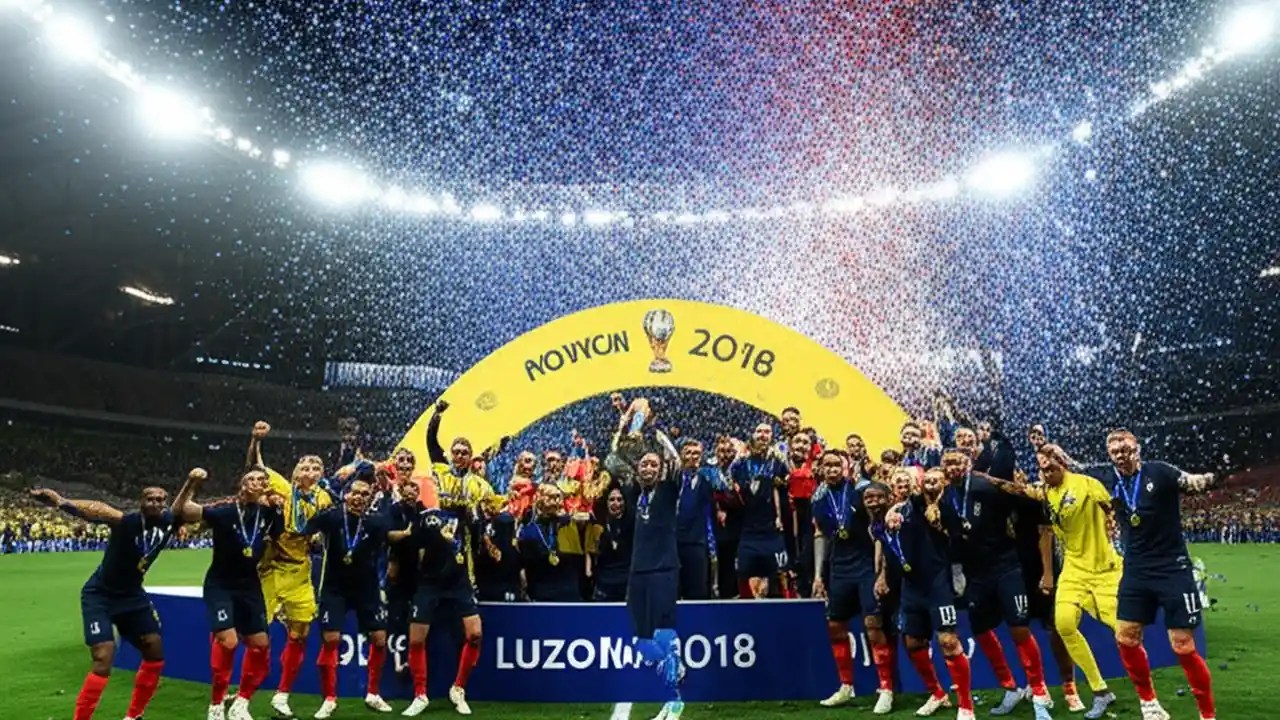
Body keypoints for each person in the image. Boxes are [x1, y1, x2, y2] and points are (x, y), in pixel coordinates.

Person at [31, 470, 200, 720]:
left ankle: (134, 716)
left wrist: (191, 482)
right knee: (103, 657)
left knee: (154, 651)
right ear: (141, 502)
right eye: (150, 499)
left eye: (159, 499)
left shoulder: (169, 521)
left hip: (132, 595)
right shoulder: (127, 521)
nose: (155, 503)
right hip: (100, 595)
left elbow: (180, 508)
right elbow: (98, 509)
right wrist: (60, 502)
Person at [1094, 429, 1217, 720]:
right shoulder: (1106, 478)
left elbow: (1187, 480)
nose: (1121, 455)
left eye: (1126, 449)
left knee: (1183, 645)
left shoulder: (1159, 472)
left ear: (1137, 448)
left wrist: (1202, 479)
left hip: (1172, 567)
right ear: (1109, 455)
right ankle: (1149, 704)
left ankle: (1207, 714)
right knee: (1125, 637)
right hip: (1136, 569)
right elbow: (1072, 470)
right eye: (1115, 451)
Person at [1004, 444, 1119, 720]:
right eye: (1042, 468)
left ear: (1063, 463)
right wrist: (985, 479)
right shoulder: (1046, 493)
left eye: (1051, 466)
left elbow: (1112, 508)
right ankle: (1100, 691)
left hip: (1104, 568)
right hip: (1073, 569)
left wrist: (1112, 525)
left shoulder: (1087, 484)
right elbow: (1019, 491)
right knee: (1064, 624)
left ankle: (1147, 698)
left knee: (1123, 632)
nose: (1046, 472)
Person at [938, 449, 1053, 719]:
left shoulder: (984, 486)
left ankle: (1038, 689)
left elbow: (1023, 503)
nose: (952, 467)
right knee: (979, 628)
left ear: (967, 464)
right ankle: (1010, 687)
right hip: (975, 574)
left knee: (1019, 629)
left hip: (1006, 566)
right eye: (947, 463)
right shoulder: (944, 498)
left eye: (957, 462)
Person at [173, 468, 284, 720]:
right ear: (241, 485)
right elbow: (182, 510)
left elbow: (277, 535)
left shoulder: (268, 513)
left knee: (260, 645)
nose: (258, 483)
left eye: (262, 480)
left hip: (249, 586)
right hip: (220, 585)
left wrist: (277, 504)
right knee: (229, 642)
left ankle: (241, 703)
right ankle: (215, 704)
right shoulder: (224, 511)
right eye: (252, 479)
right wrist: (191, 482)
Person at [298, 479, 409, 719]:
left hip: (366, 589)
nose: (359, 497)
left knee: (379, 640)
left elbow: (391, 537)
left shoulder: (375, 521)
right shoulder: (331, 517)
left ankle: (372, 693)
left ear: (370, 497)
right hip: (334, 588)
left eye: (365, 494)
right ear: (346, 495)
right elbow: (304, 529)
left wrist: (408, 532)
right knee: (331, 640)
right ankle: (329, 698)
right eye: (355, 493)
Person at [249, 421, 333, 719]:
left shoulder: (324, 498)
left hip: (299, 571)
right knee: (257, 632)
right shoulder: (281, 486)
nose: (310, 468)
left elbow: (324, 528)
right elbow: (254, 470)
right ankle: (243, 695)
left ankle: (282, 696)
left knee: (300, 632)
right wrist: (256, 441)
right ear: (295, 472)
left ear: (322, 474)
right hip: (271, 568)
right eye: (305, 464)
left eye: (317, 465)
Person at [875, 468, 973, 720]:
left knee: (949, 642)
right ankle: (937, 694)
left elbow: (938, 510)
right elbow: (888, 548)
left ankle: (966, 706)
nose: (904, 486)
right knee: (913, 643)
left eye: (909, 482)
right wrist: (891, 514)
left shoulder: (933, 504)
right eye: (898, 482)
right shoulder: (892, 514)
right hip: (910, 587)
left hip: (937, 584)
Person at [811, 452, 897, 714]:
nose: (833, 469)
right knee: (835, 626)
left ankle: (886, 689)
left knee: (873, 624)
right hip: (839, 568)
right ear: (821, 469)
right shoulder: (819, 499)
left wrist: (881, 570)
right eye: (828, 465)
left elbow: (880, 526)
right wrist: (817, 575)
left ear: (846, 467)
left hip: (865, 567)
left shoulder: (860, 491)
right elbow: (820, 535)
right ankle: (846, 686)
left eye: (837, 464)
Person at [401, 504, 486, 717]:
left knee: (475, 634)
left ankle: (458, 689)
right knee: (416, 640)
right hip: (429, 583)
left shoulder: (468, 512)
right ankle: (420, 694)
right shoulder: (425, 514)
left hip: (459, 582)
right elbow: (414, 548)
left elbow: (475, 544)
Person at [627, 439, 686, 720]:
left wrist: (664, 442)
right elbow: (614, 459)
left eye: (654, 464)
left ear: (660, 470)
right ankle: (675, 664)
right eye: (644, 464)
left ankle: (674, 701)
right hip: (637, 571)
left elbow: (677, 465)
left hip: (663, 568)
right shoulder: (636, 496)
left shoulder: (667, 491)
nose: (648, 468)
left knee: (664, 632)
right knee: (641, 640)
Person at [730, 422, 790, 598]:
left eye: (767, 432)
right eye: (759, 431)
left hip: (772, 529)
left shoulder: (778, 462)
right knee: (744, 574)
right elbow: (729, 483)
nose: (762, 435)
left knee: (780, 574)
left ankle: (786, 610)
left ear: (771, 437)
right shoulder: (741, 463)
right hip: (747, 530)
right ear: (752, 436)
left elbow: (786, 487)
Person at [674, 439, 723, 600]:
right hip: (673, 545)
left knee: (696, 594)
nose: (692, 457)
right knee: (671, 593)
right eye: (688, 452)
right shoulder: (673, 481)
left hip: (697, 544)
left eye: (696, 453)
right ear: (681, 455)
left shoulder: (707, 481)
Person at [519, 483, 580, 601]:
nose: (556, 502)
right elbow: (525, 564)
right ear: (541, 500)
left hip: (566, 590)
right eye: (551, 498)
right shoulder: (529, 531)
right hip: (541, 590)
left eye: (558, 498)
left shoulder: (565, 524)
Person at [591, 486, 633, 601]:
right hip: (603, 587)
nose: (616, 503)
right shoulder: (597, 526)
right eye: (612, 499)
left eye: (619, 499)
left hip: (627, 586)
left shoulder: (633, 525)